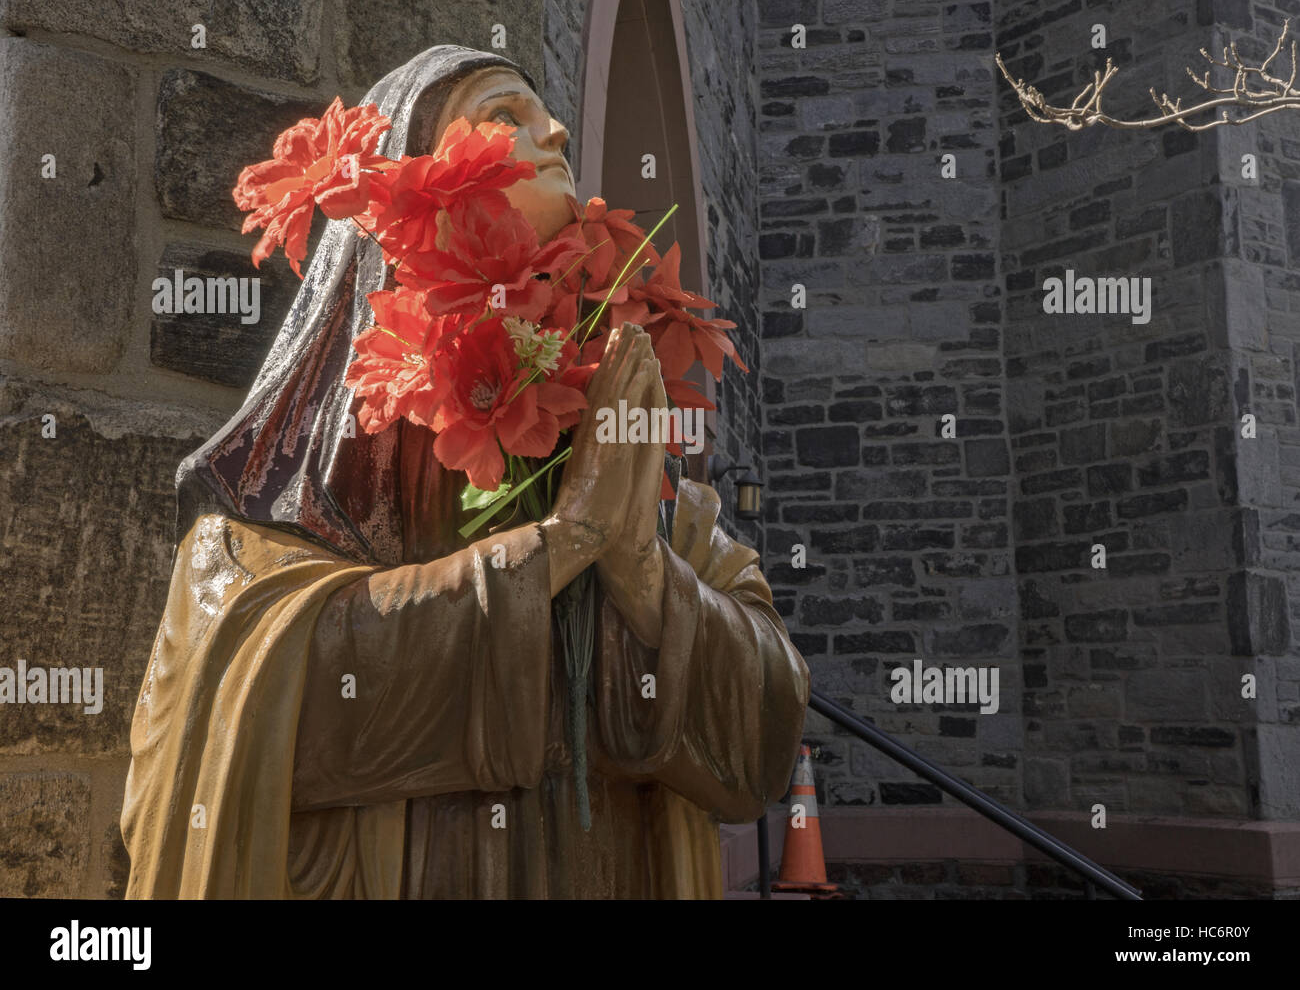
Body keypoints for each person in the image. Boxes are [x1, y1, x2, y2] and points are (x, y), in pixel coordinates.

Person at [121, 45, 810, 899]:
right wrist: (561, 545)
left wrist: (641, 570)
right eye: (506, 115)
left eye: (545, 113)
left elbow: (768, 735)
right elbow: (239, 700)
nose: (556, 129)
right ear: (409, 186)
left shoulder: (638, 471)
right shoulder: (282, 501)